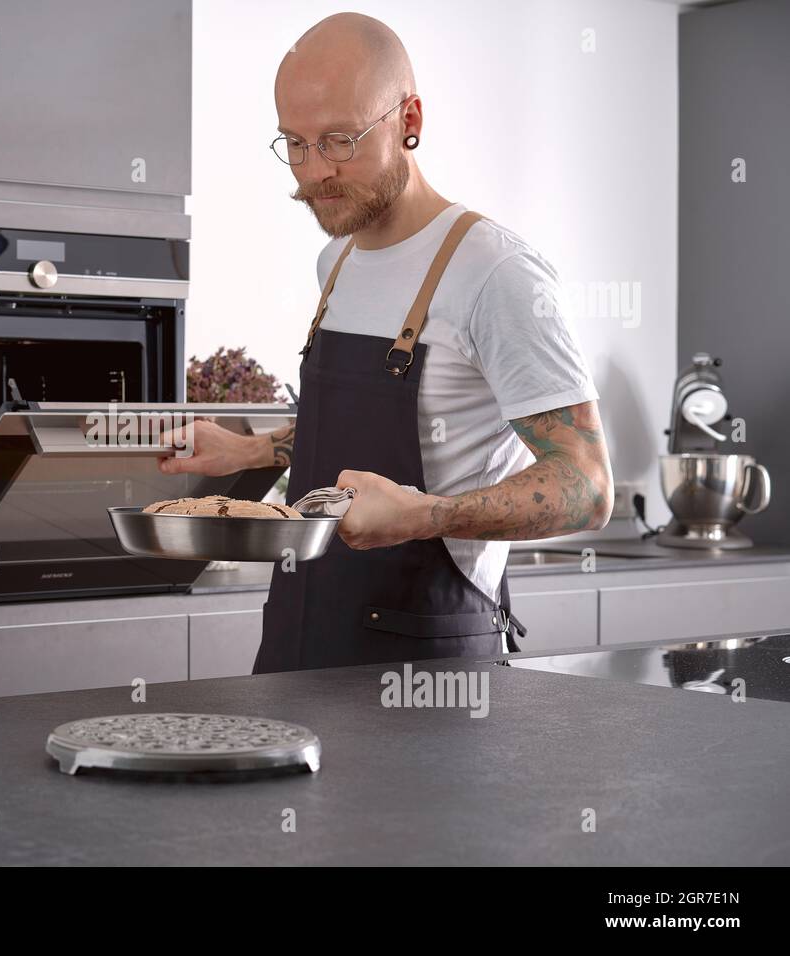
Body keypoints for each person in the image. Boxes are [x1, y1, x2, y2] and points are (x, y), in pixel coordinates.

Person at [158, 12, 612, 671]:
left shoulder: (496, 272)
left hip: (429, 665)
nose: (315, 171)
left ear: (409, 119)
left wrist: (428, 515)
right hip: (298, 644)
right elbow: (364, 428)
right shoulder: (336, 261)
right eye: (295, 143)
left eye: (339, 140)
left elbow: (588, 485)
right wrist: (252, 449)